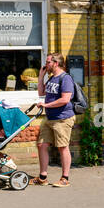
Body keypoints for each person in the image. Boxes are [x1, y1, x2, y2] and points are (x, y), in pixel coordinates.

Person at [34, 53, 76, 185]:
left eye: (48, 62)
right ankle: (42, 177)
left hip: (62, 118)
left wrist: (46, 105)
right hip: (50, 117)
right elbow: (41, 93)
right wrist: (41, 76)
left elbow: (65, 99)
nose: (46, 64)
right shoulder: (52, 78)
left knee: (62, 147)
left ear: (56, 63)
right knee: (42, 144)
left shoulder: (66, 78)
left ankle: (65, 178)